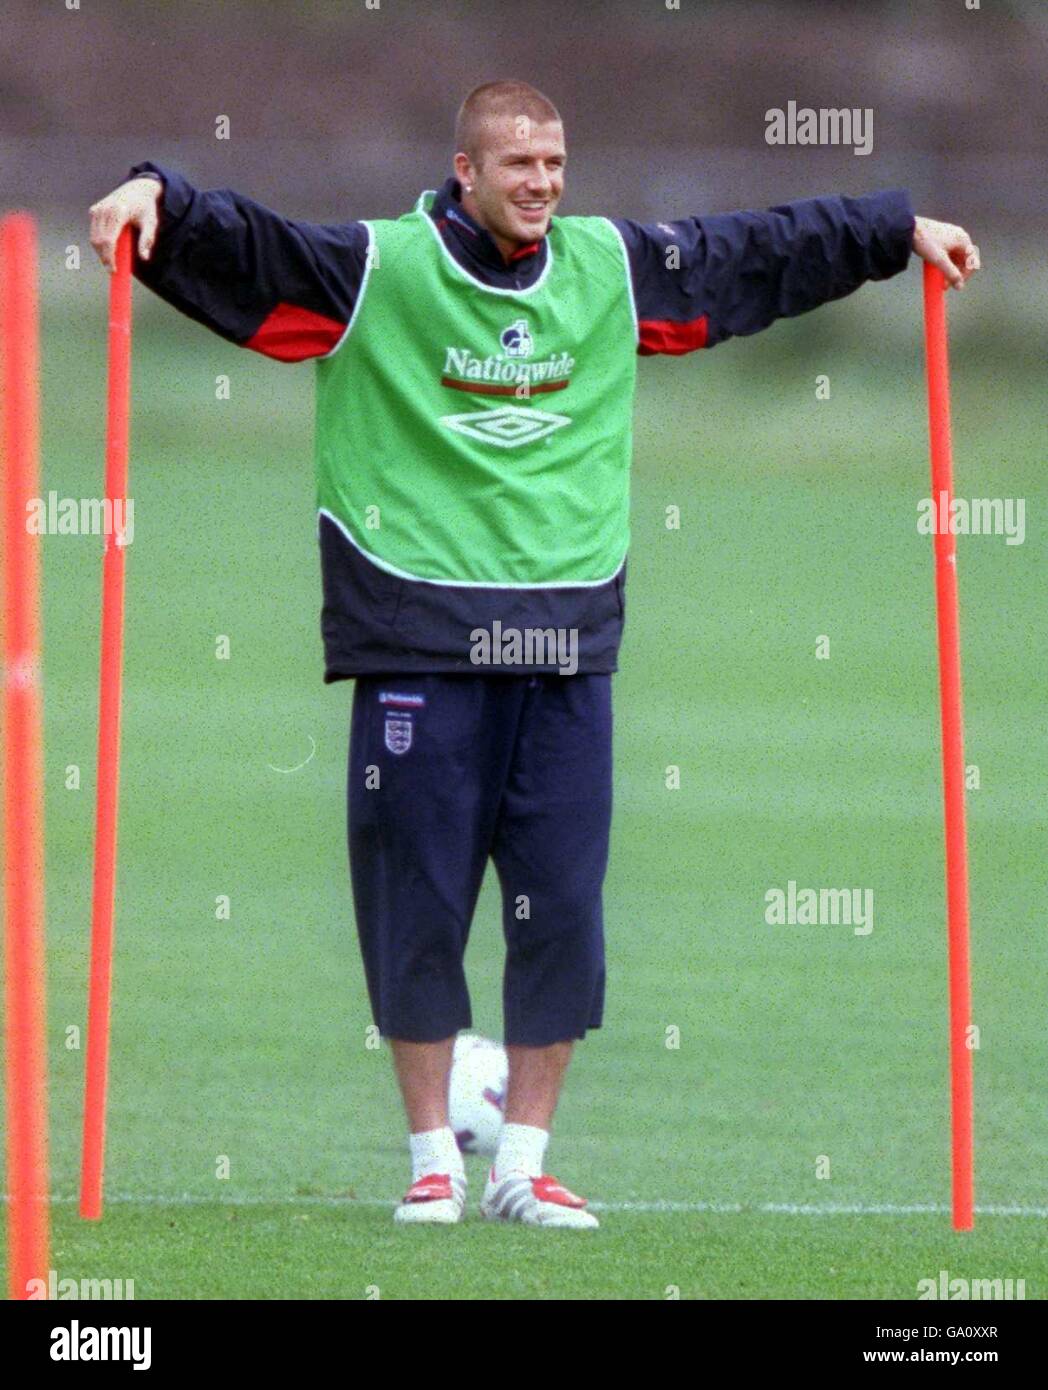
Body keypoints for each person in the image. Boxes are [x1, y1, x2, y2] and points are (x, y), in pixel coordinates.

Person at [88, 79, 980, 1231]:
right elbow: (258, 252)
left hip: (566, 648)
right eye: (520, 166)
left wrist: (888, 228)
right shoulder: (383, 269)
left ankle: (525, 1159)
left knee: (560, 911)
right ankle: (429, 1159)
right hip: (417, 638)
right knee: (416, 907)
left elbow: (747, 254)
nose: (544, 185)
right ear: (466, 170)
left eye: (556, 165)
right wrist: (160, 191)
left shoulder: (606, 268)